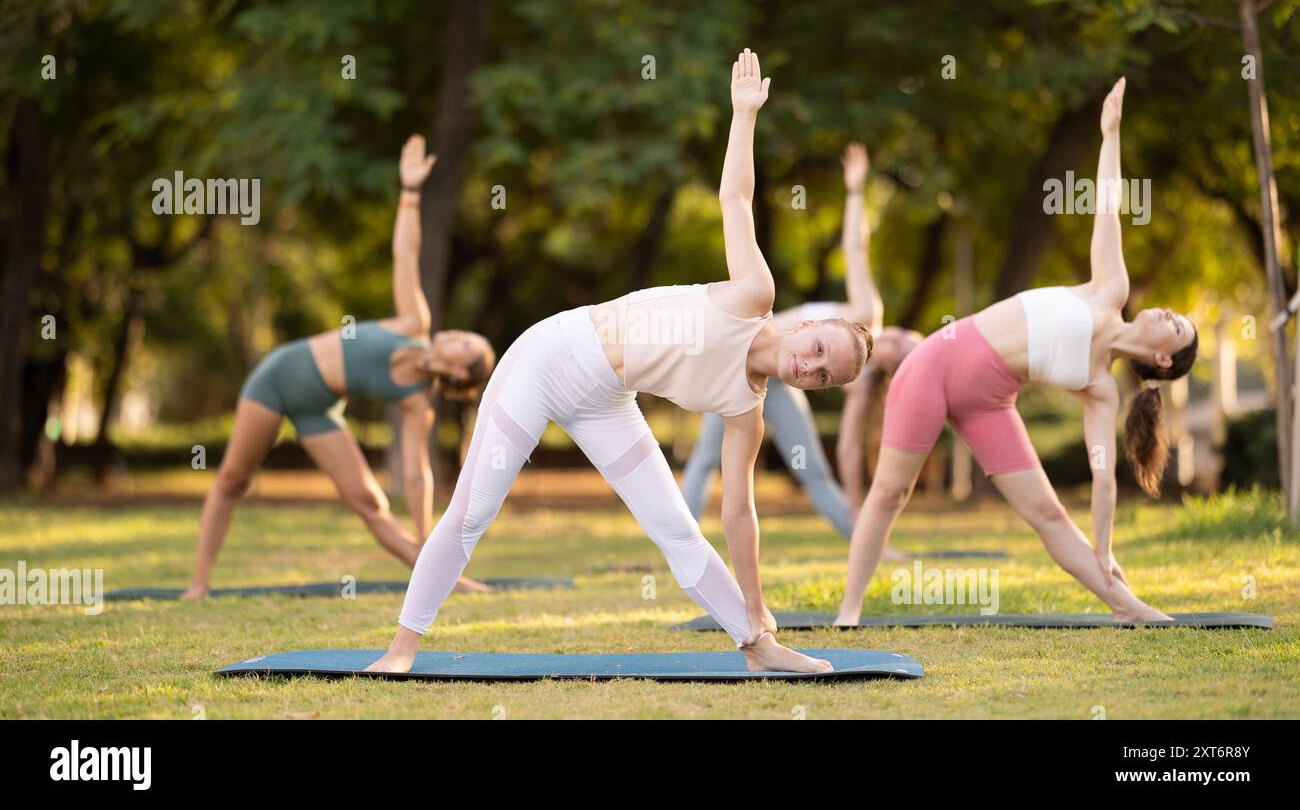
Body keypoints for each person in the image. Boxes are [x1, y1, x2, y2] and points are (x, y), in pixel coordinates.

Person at [366, 50, 872, 675]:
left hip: (606, 399)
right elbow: (736, 199)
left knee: (677, 529)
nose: (810, 366)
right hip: (549, 359)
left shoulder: (748, 410)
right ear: (808, 325)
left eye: (824, 376)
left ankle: (757, 646)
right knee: (472, 512)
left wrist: (758, 603)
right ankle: (401, 649)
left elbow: (739, 512)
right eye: (818, 349)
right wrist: (744, 116)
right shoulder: (754, 296)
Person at [837, 78, 1194, 625]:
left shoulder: (1099, 388)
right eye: (1175, 312)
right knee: (890, 491)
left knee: (1049, 512)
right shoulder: (1110, 289)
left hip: (989, 406)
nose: (1170, 314)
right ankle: (850, 611)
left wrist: (1105, 547)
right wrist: (1111, 133)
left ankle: (1126, 605)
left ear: (1164, 360)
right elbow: (1109, 204)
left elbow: (1102, 475)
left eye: (1179, 328)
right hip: (935, 364)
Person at [184, 136, 495, 599]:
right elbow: (405, 255)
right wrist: (409, 191)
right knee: (233, 478)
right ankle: (199, 585)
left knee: (370, 504)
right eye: (464, 333)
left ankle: (444, 578)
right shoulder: (414, 323)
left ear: (458, 373)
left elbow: (416, 473)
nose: (455, 334)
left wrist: (425, 530)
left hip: (318, 412)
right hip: (278, 379)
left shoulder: (417, 403)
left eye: (465, 343)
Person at [680, 143, 921, 551]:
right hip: (740, 358)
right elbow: (855, 250)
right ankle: (681, 545)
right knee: (706, 458)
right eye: (905, 334)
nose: (895, 336)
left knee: (811, 471)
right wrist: (856, 191)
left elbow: (847, 448)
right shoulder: (866, 310)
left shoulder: (860, 383)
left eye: (902, 346)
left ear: (895, 365)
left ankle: (868, 545)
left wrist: (861, 504)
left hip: (778, 384)